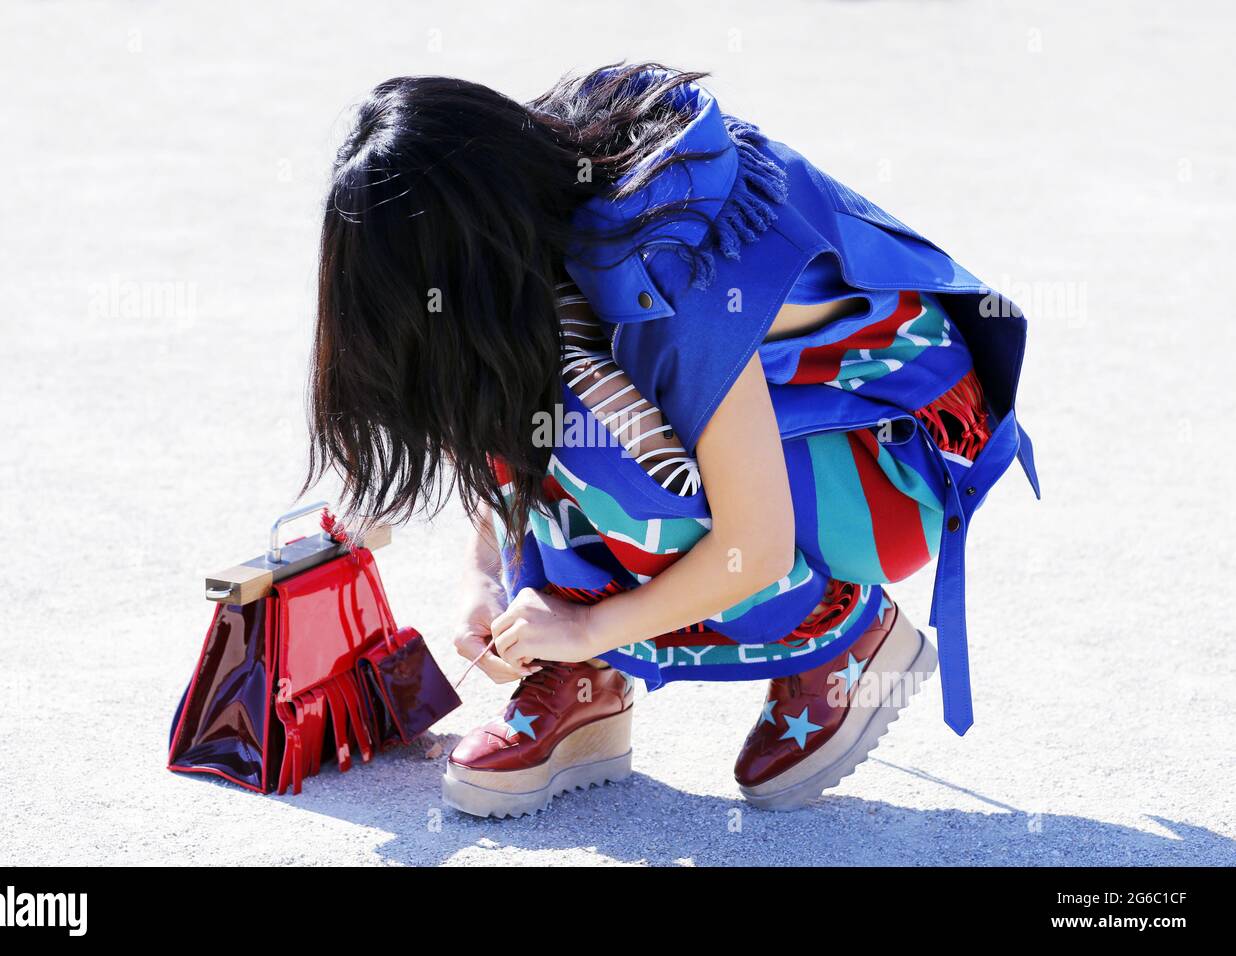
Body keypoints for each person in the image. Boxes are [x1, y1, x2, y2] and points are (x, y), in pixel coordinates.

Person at [305, 64, 1039, 817]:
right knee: (523, 385)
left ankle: (840, 638)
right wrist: (489, 578)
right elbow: (490, 383)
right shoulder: (547, 201)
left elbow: (751, 547)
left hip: (897, 463)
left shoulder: (671, 277)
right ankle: (584, 679)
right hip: (799, 425)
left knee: (587, 431)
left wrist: (586, 621)